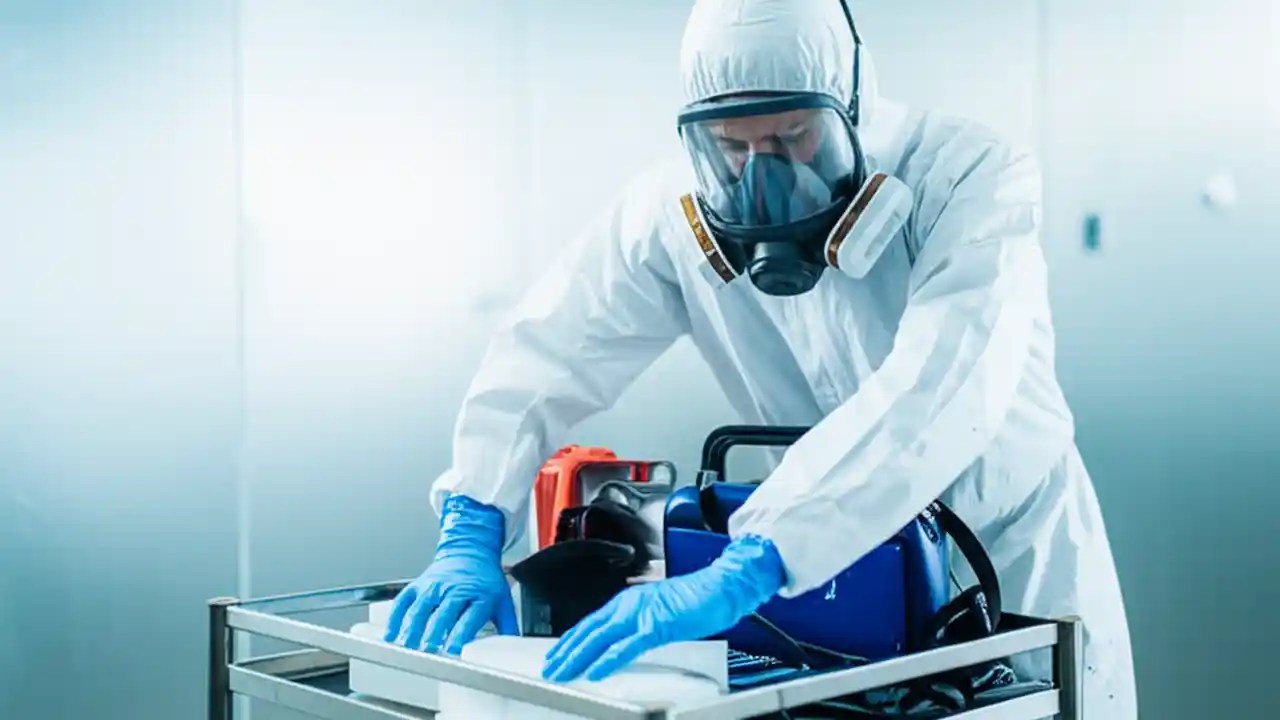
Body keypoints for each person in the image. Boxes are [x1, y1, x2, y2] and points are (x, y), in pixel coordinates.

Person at [383, 0, 1137, 715]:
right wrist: (473, 521)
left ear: (853, 110)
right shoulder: (669, 215)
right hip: (826, 579)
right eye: (733, 147)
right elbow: (549, 347)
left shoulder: (968, 177)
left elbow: (943, 390)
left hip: (1012, 578)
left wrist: (755, 562)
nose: (761, 177)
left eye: (793, 139)